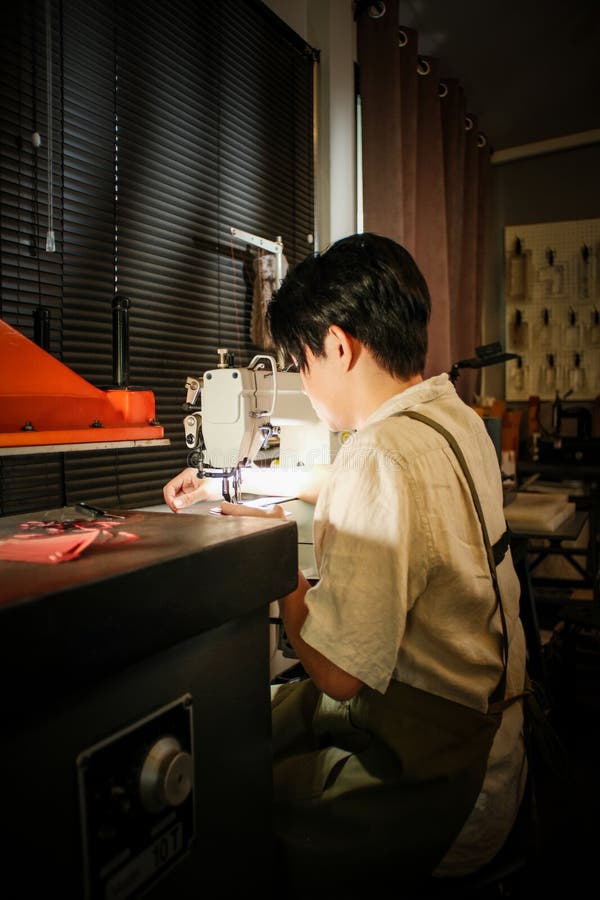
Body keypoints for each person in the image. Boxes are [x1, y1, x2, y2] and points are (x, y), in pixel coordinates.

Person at [163, 233, 528, 896]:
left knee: (234, 806)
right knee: (267, 730)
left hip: (443, 789)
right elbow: (346, 479)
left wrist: (280, 564)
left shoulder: (379, 454)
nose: (302, 382)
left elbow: (335, 675)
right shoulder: (452, 419)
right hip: (498, 749)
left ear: (338, 346)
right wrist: (233, 484)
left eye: (300, 363)